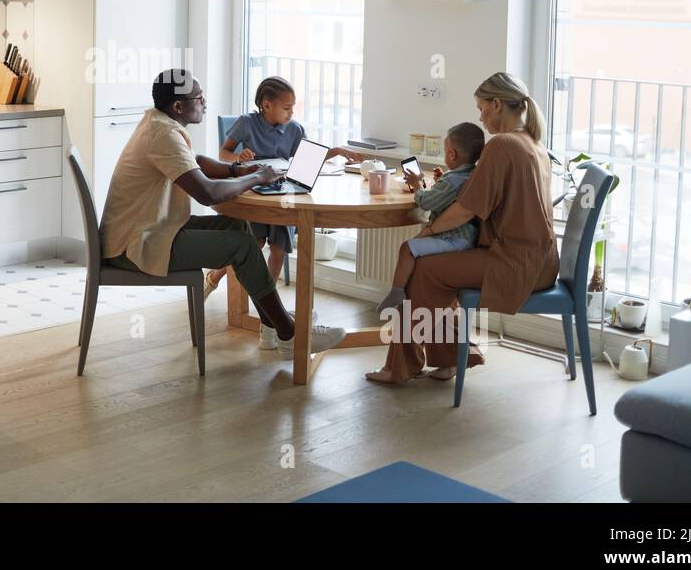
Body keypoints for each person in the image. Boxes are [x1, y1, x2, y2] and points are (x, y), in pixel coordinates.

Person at [100, 69, 348, 357]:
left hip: (149, 229)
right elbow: (208, 194)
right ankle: (289, 333)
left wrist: (236, 170)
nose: (205, 103)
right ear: (179, 106)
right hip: (135, 244)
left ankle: (275, 323)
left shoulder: (159, 122)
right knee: (242, 246)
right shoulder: (163, 133)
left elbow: (197, 162)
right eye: (199, 97)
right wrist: (257, 178)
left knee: (238, 227)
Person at [365, 72, 559, 386]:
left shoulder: (503, 145)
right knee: (431, 270)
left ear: (497, 104)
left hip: (516, 263)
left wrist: (430, 231)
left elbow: (466, 208)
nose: (480, 117)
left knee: (424, 269)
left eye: (481, 108)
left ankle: (402, 366)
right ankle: (452, 358)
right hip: (541, 261)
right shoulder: (533, 144)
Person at [210, 75, 358, 349]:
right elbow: (224, 153)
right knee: (253, 245)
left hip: (281, 194)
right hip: (254, 193)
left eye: (293, 107)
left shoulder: (295, 129)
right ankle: (219, 278)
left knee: (278, 249)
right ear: (267, 105)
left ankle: (268, 321)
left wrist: (334, 151)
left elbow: (304, 161)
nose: (292, 113)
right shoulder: (246, 123)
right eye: (287, 107)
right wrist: (238, 158)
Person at [375, 122, 485, 315]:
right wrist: (440, 182)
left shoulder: (451, 181)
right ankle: (405, 296)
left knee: (407, 248)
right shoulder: (472, 175)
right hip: (466, 237)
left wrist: (418, 186)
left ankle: (397, 291)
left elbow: (427, 202)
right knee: (416, 245)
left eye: (445, 151)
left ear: (451, 154)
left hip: (453, 239)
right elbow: (450, 198)